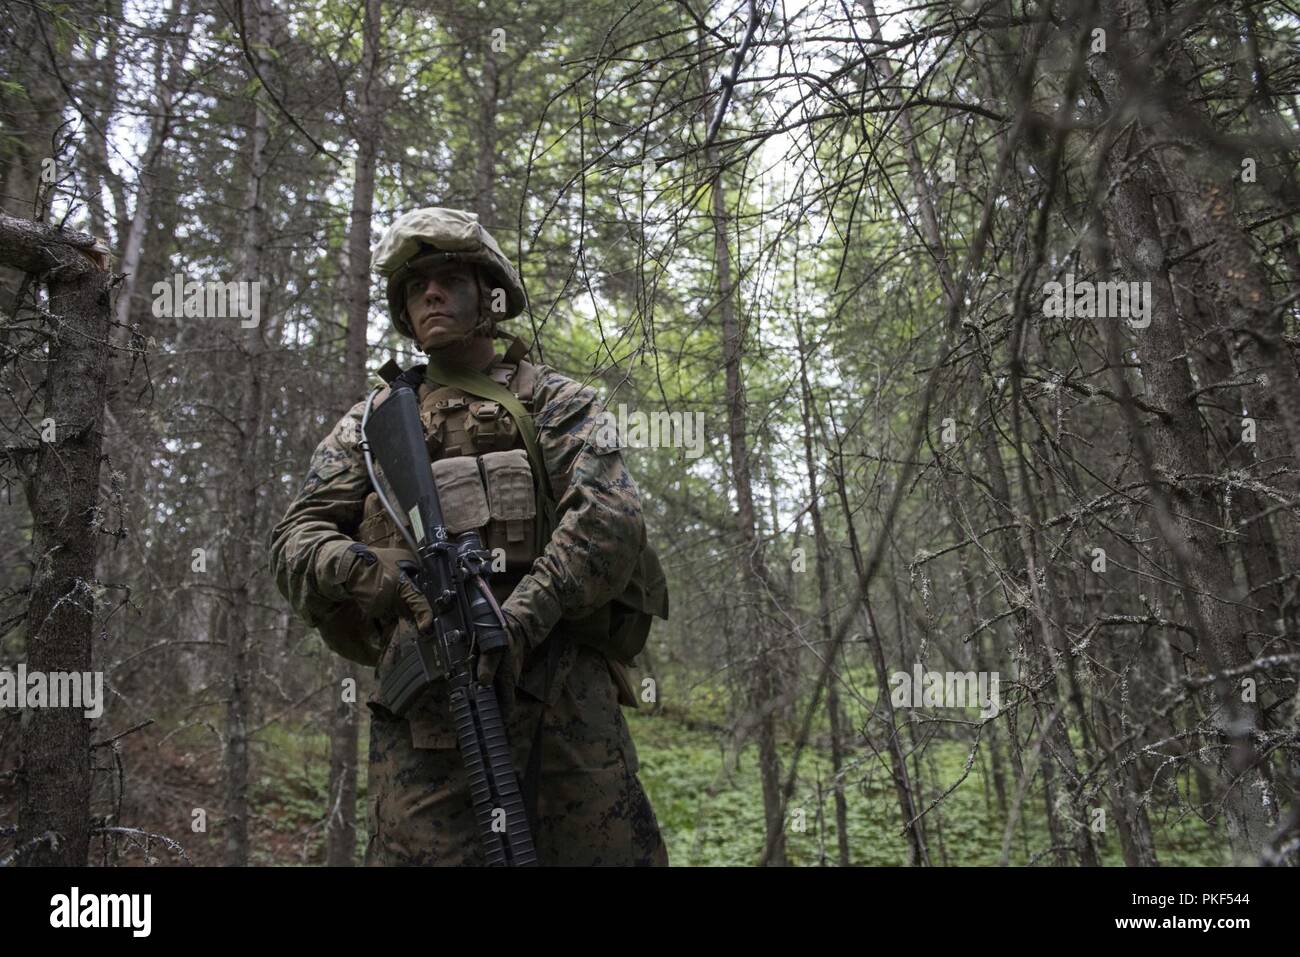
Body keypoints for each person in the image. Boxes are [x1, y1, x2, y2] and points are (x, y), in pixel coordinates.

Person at [269, 207, 669, 866]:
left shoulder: (560, 403)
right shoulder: (369, 426)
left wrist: (520, 617)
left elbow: (610, 518)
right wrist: (382, 578)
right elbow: (295, 539)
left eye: (447, 277)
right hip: (430, 716)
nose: (428, 292)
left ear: (490, 296)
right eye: (414, 284)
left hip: (564, 705)